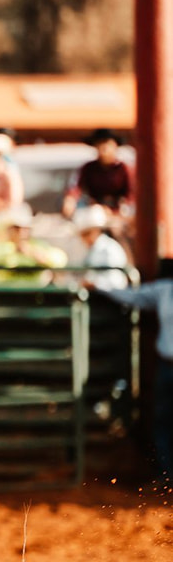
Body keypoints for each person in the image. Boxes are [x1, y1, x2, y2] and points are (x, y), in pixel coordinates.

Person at [100, 277, 173, 484]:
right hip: (167, 365)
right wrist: (101, 285)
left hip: (166, 366)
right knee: (162, 420)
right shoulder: (165, 290)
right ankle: (165, 476)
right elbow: (133, 296)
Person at [0, 206, 68, 287]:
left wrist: (37, 255)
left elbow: (61, 260)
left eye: (25, 228)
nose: (21, 232)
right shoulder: (0, 246)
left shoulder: (37, 245)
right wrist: (13, 251)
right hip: (1, 297)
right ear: (9, 229)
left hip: (34, 297)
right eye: (17, 228)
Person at [63, 129, 133, 223]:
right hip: (95, 210)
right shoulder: (88, 168)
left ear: (115, 146)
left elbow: (132, 194)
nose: (103, 148)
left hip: (119, 213)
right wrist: (70, 200)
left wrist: (120, 209)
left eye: (107, 144)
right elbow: (76, 187)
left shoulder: (123, 169)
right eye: (100, 144)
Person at [74, 204, 131, 292]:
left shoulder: (109, 249)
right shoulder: (92, 251)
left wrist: (94, 284)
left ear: (97, 231)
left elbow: (115, 282)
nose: (84, 239)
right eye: (82, 236)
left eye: (87, 234)